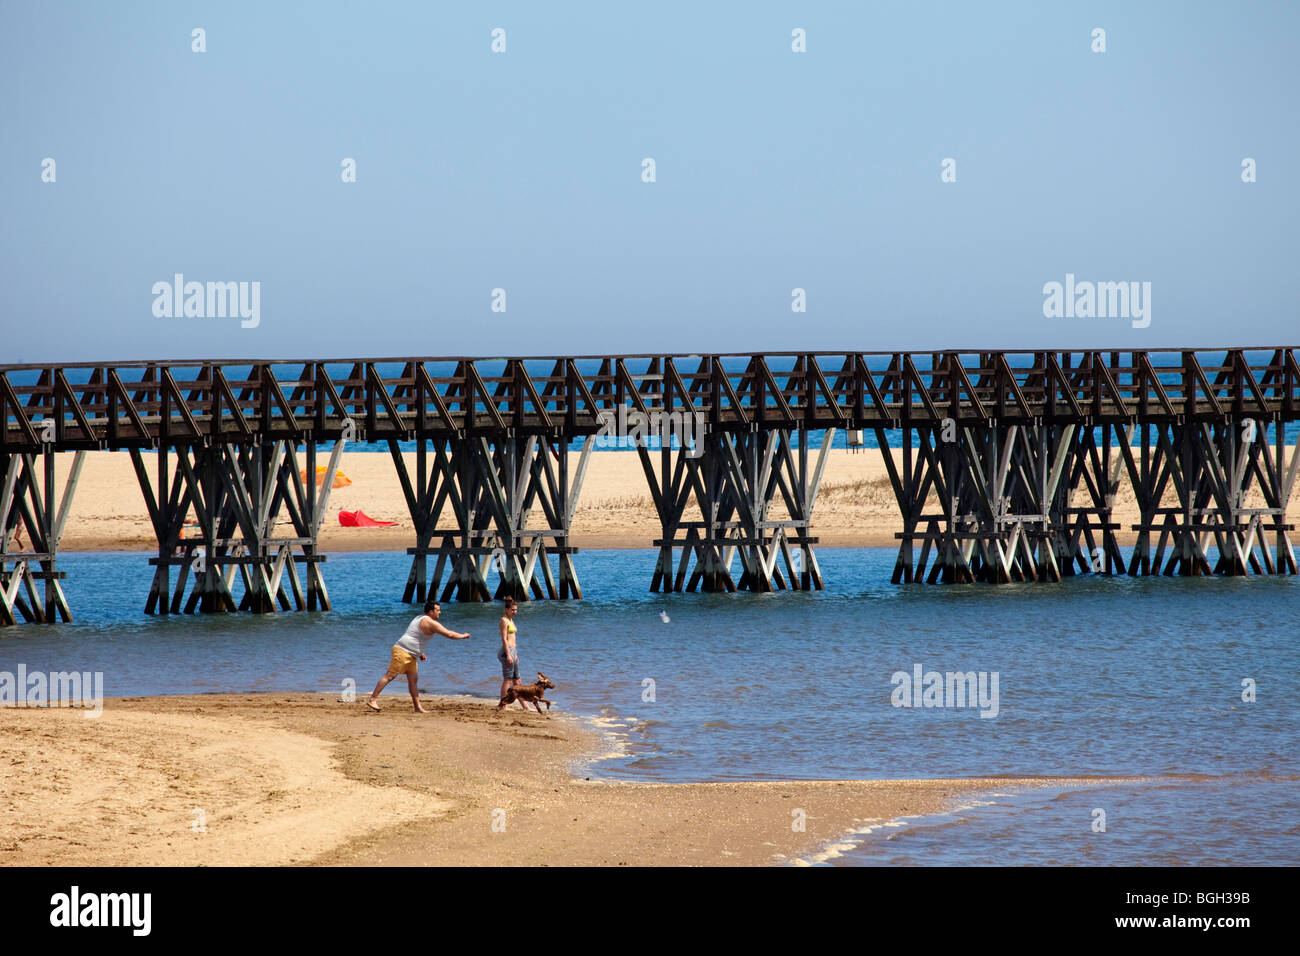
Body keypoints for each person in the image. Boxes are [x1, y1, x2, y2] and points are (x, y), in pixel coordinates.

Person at [366, 597, 469, 713]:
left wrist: (420, 652)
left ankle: (417, 707)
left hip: (411, 654)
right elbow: (449, 634)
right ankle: (372, 699)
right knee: (390, 675)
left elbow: (414, 635)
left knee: (413, 680)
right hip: (402, 651)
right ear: (431, 612)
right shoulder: (429, 622)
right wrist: (463, 635)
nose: (440, 612)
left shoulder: (419, 617)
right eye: (438, 610)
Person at [498, 597, 526, 710]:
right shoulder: (504, 620)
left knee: (517, 680)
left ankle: (525, 706)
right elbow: (504, 639)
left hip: (513, 652)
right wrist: (509, 654)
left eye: (516, 610)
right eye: (512, 610)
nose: (515, 612)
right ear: (506, 609)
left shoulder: (511, 619)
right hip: (506, 652)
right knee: (508, 680)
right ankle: (502, 705)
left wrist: (515, 654)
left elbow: (513, 639)